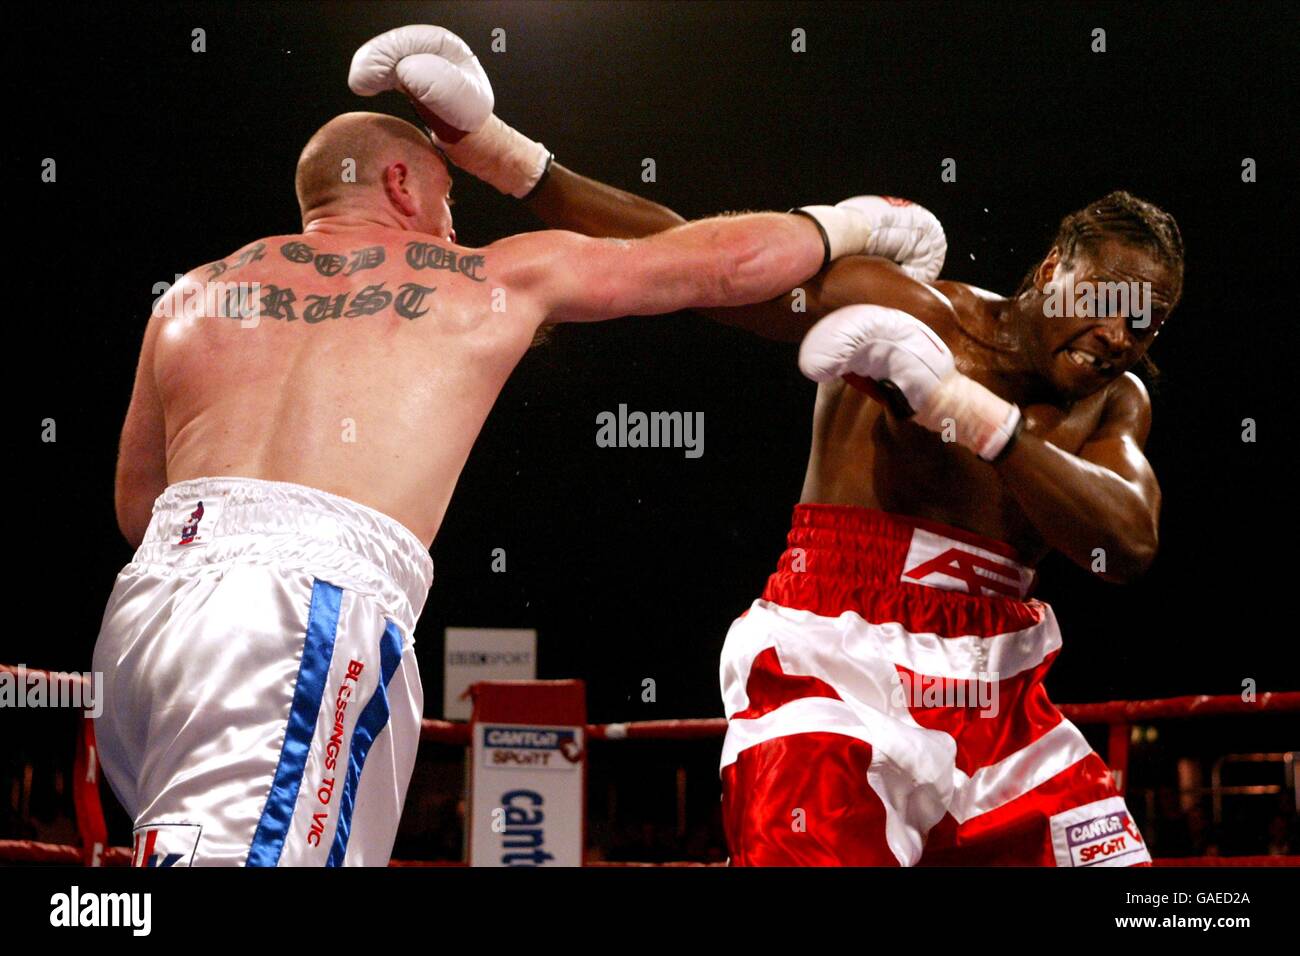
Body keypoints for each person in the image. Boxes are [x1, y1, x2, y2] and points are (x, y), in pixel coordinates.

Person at [387, 24, 1183, 865]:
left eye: (1149, 320)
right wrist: (507, 156)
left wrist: (963, 409)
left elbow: (1126, 543)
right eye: (1109, 298)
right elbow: (692, 262)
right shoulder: (912, 309)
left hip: (1000, 694)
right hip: (838, 656)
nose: (1122, 334)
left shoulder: (1112, 405)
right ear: (1055, 264)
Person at [92, 52, 884, 864]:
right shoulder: (480, 277)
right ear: (401, 184)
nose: (451, 224)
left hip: (147, 619)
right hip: (297, 617)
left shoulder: (193, 293)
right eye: (447, 197)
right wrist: (856, 223)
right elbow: (723, 265)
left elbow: (138, 505)